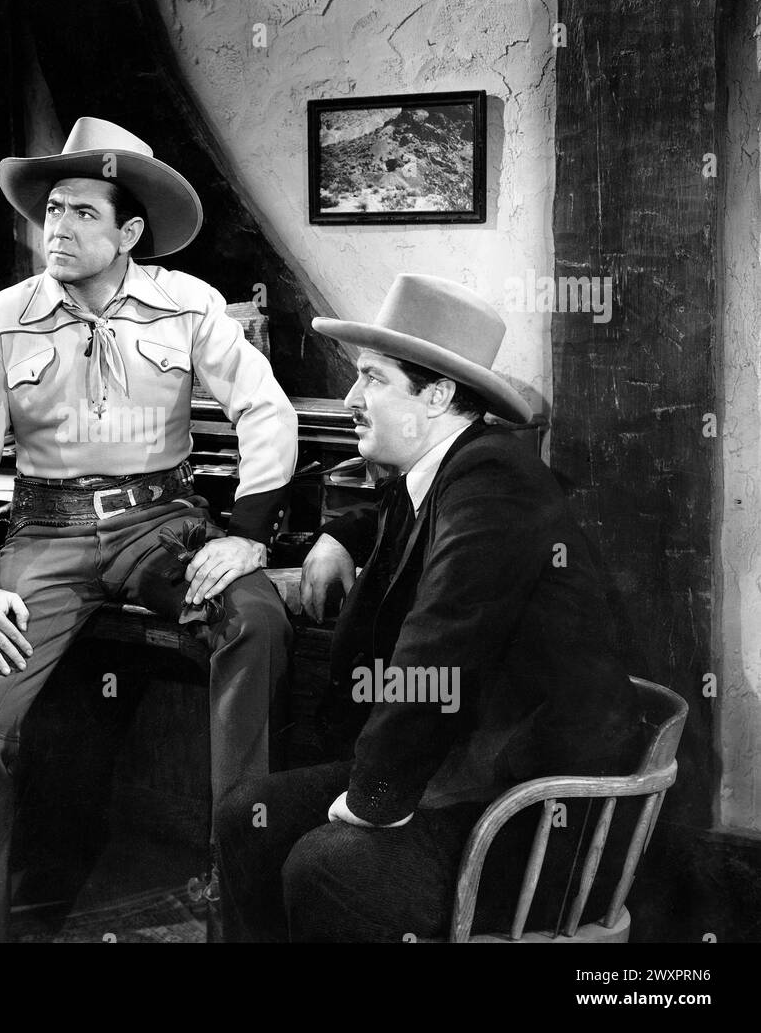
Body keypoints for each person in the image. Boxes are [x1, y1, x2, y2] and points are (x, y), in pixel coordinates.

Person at [0, 116, 298, 942]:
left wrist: (247, 533)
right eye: (53, 209)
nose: (57, 229)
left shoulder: (187, 306)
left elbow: (264, 407)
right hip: (45, 536)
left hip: (161, 525)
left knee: (258, 619)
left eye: (83, 214)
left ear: (130, 231)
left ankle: (233, 895)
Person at [216, 272, 645, 942]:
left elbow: (441, 640)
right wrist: (337, 532)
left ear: (439, 395)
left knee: (324, 863)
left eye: (373, 379)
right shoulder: (455, 467)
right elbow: (397, 512)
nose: (351, 398)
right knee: (248, 814)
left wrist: (373, 801)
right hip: (472, 774)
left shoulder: (493, 481)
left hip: (534, 814)